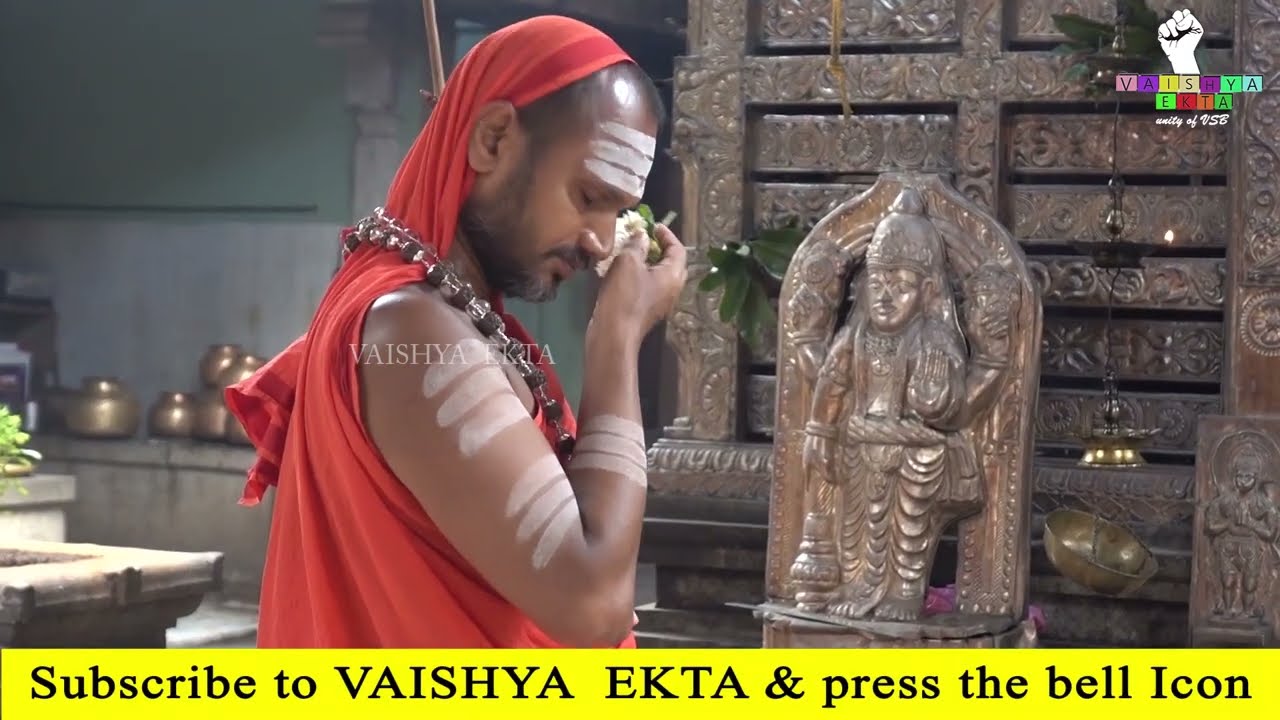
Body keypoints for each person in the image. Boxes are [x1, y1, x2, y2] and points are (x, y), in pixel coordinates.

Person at [224, 15, 688, 648]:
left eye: (619, 210)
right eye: (587, 196)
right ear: (493, 140)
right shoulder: (412, 329)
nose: (601, 242)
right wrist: (617, 337)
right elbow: (594, 608)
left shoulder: (453, 311)